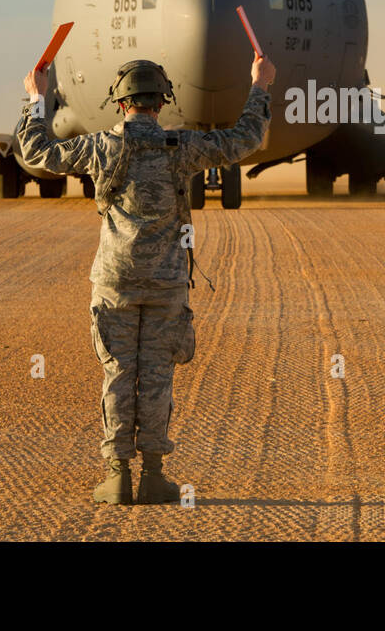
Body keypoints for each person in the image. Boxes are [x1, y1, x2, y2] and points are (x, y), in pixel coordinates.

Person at [15, 54, 275, 504]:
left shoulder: (100, 147)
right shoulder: (185, 146)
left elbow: (37, 152)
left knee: (117, 374)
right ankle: (154, 475)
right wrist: (260, 86)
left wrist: (36, 99)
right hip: (166, 283)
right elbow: (244, 140)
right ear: (162, 101)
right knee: (157, 377)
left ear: (120, 103)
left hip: (114, 282)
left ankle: (117, 476)